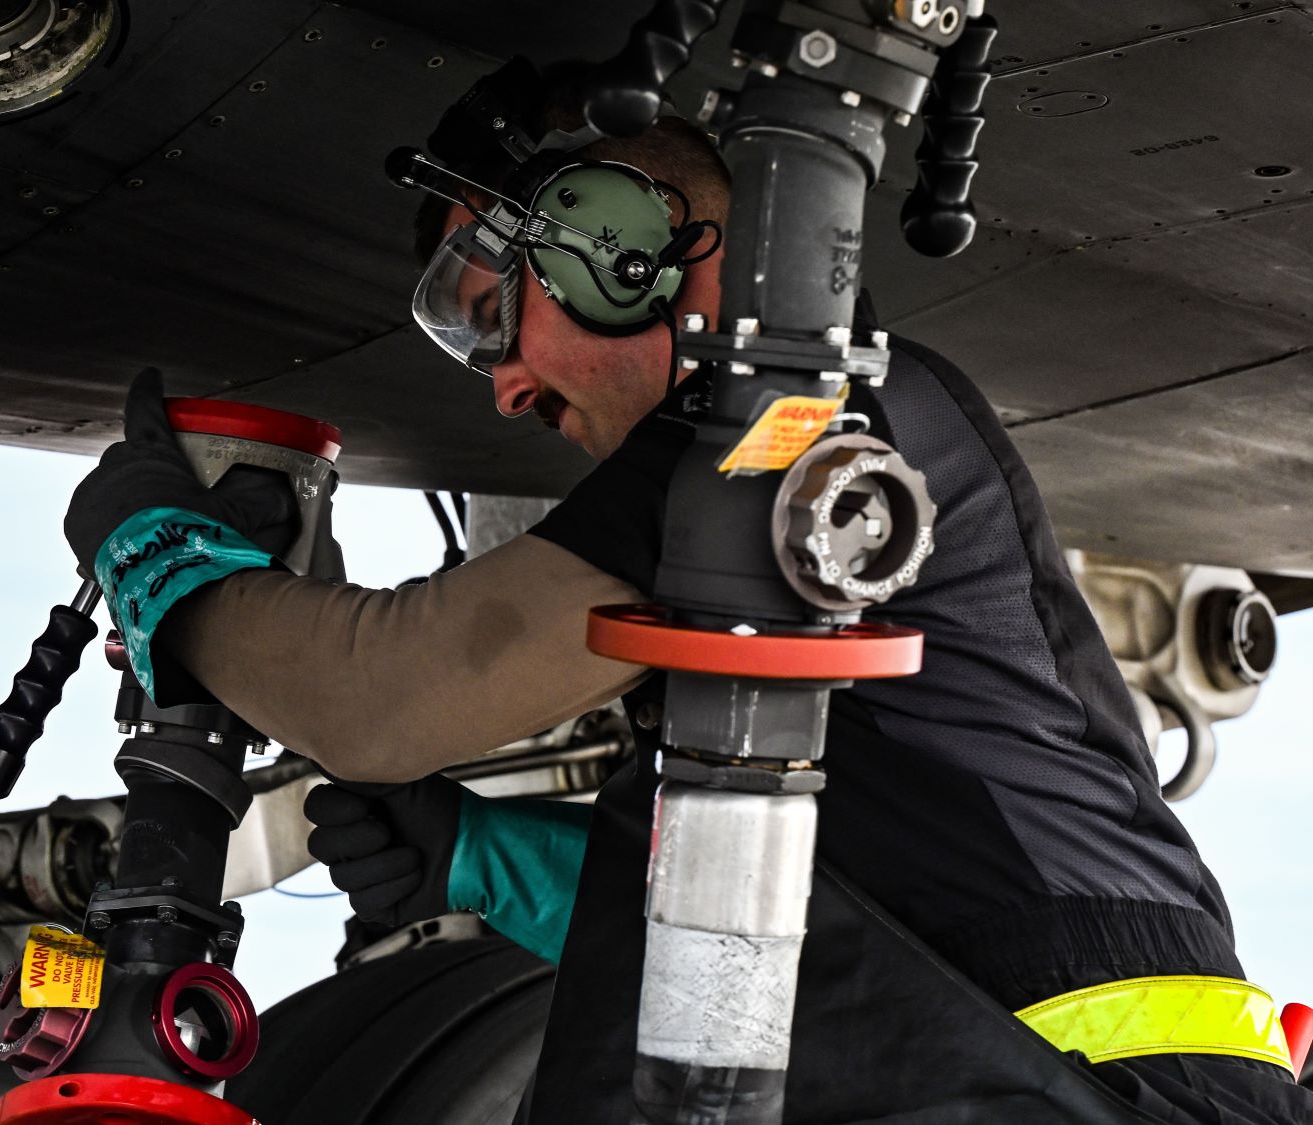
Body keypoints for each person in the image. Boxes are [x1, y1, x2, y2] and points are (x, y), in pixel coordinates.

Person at [63, 60, 1310, 1123]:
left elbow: (387, 696)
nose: (500, 387)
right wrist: (505, 866)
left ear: (617, 243)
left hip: (1064, 1087)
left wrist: (161, 563)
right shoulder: (773, 502)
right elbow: (823, 928)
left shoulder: (818, 427)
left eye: (487, 312)